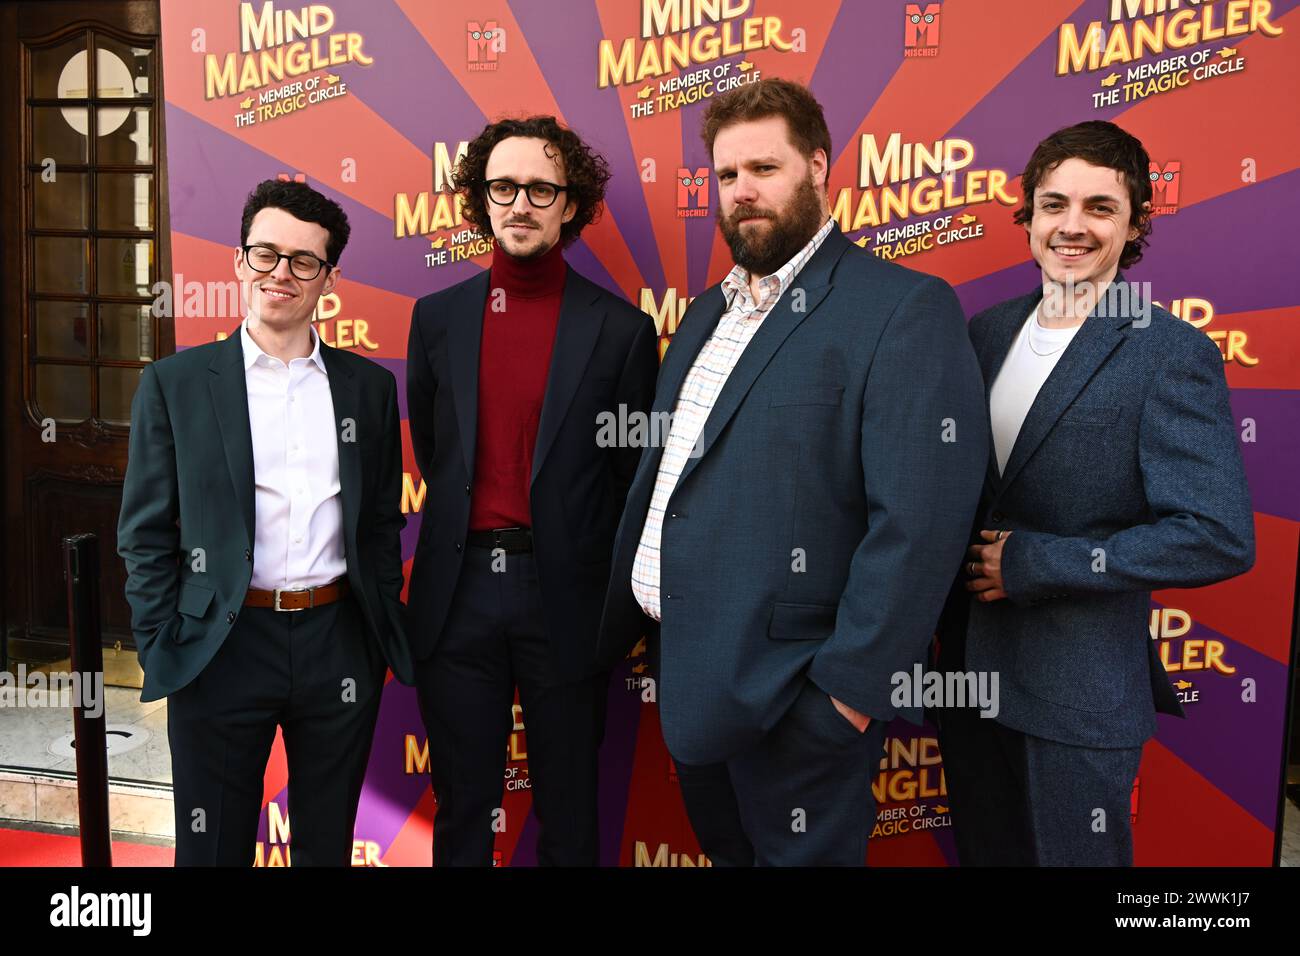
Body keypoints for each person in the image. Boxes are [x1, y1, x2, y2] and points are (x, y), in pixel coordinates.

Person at [597, 78, 987, 866]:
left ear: (818, 166)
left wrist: (846, 695)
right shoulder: (706, 311)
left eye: (764, 169)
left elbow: (921, 519)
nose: (742, 192)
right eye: (728, 175)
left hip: (798, 694)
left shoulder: (901, 308)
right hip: (690, 673)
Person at [936, 120, 1255, 866]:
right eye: (1053, 205)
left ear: (1137, 220)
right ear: (1028, 215)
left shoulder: (1168, 350)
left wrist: (1038, 564)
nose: (1071, 227)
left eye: (1099, 208)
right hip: (967, 679)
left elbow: (1217, 533)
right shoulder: (985, 332)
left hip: (1078, 689)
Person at [118, 179, 413, 865]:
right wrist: (165, 637)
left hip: (337, 642)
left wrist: (372, 639)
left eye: (304, 261)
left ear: (329, 277)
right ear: (238, 261)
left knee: (325, 846)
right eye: (266, 254)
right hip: (220, 646)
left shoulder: (368, 388)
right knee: (211, 847)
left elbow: (377, 523)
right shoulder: (175, 384)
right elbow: (145, 532)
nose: (282, 273)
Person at [406, 116, 659, 866]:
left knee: (571, 815)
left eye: (541, 188)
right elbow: (435, 450)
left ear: (571, 204)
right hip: (458, 599)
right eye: (504, 186)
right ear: (480, 199)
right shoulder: (436, 320)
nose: (521, 203)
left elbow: (630, 481)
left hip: (570, 599)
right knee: (460, 813)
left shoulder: (621, 332)